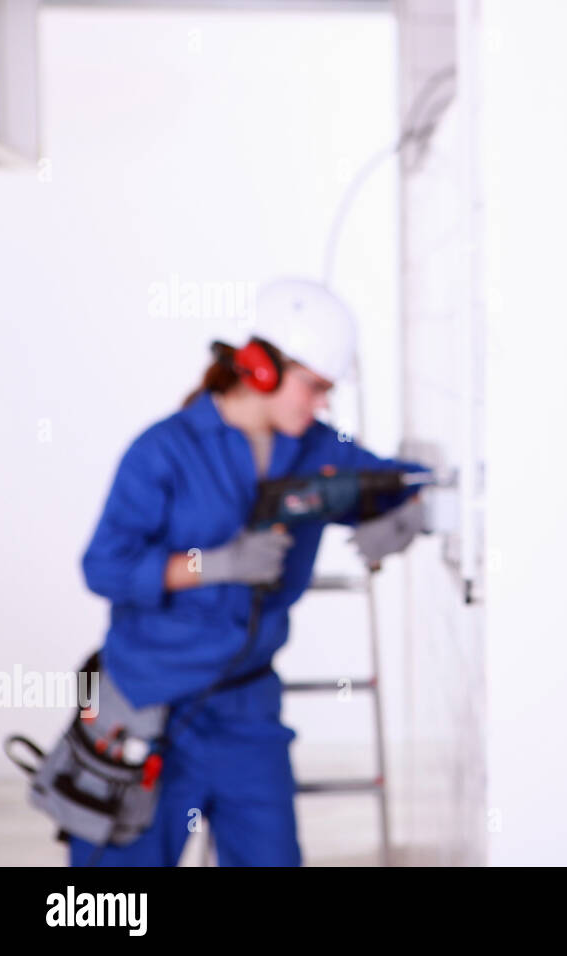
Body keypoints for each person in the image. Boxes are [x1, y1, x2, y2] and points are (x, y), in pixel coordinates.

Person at [75, 277, 428, 866]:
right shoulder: (165, 450)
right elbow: (103, 567)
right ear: (261, 369)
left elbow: (402, 480)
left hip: (247, 713)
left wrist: (410, 511)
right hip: (148, 700)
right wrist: (212, 564)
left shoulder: (318, 449)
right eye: (313, 387)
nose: (322, 404)